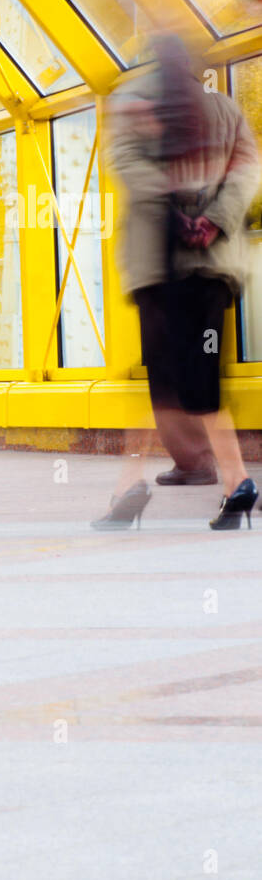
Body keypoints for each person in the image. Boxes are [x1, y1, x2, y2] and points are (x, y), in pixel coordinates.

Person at [94, 33, 260, 531]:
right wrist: (214, 220)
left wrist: (176, 213)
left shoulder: (133, 103)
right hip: (212, 269)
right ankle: (233, 484)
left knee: (165, 379)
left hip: (161, 268)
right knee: (199, 376)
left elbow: (128, 166)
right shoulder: (224, 108)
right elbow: (247, 169)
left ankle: (133, 487)